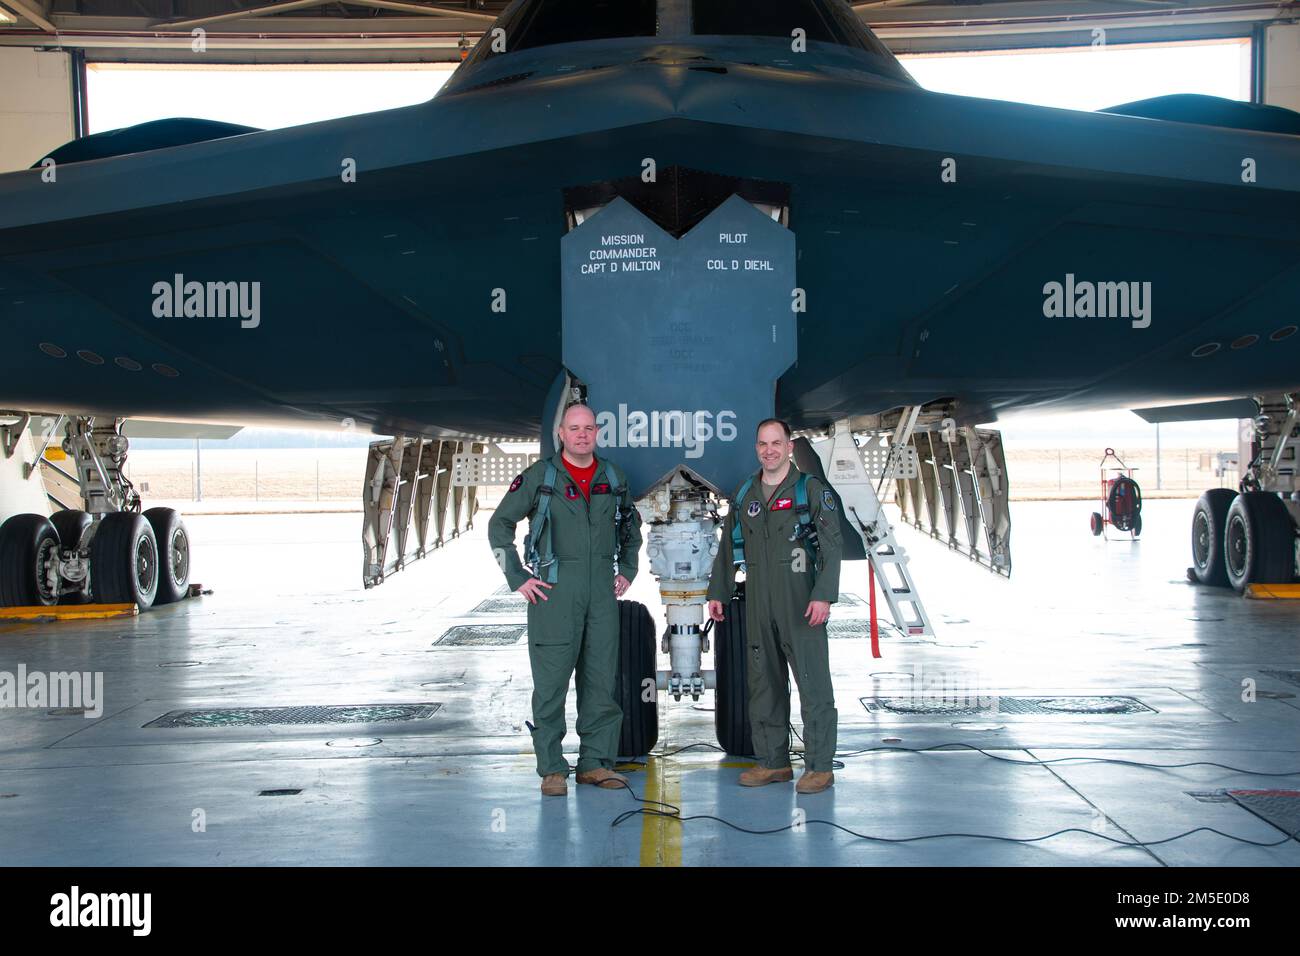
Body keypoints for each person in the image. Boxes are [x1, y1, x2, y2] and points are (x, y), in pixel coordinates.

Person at [488, 403, 643, 796]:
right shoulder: (540, 478)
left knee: (600, 682)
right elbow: (498, 525)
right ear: (561, 433)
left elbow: (631, 525)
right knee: (552, 684)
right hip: (554, 592)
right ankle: (552, 770)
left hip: (602, 594)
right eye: (574, 428)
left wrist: (627, 568)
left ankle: (596, 763)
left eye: (588, 428)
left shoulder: (612, 476)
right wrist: (517, 576)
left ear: (597, 432)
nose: (581, 435)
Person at [706, 418, 843, 793]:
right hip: (758, 600)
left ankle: (819, 766)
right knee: (763, 682)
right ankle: (773, 762)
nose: (769, 450)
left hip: (800, 600)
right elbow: (728, 546)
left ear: (789, 446)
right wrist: (718, 591)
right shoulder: (747, 493)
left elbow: (832, 547)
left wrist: (823, 595)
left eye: (776, 443)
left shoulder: (809, 490)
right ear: (757, 449)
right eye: (763, 444)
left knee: (813, 684)